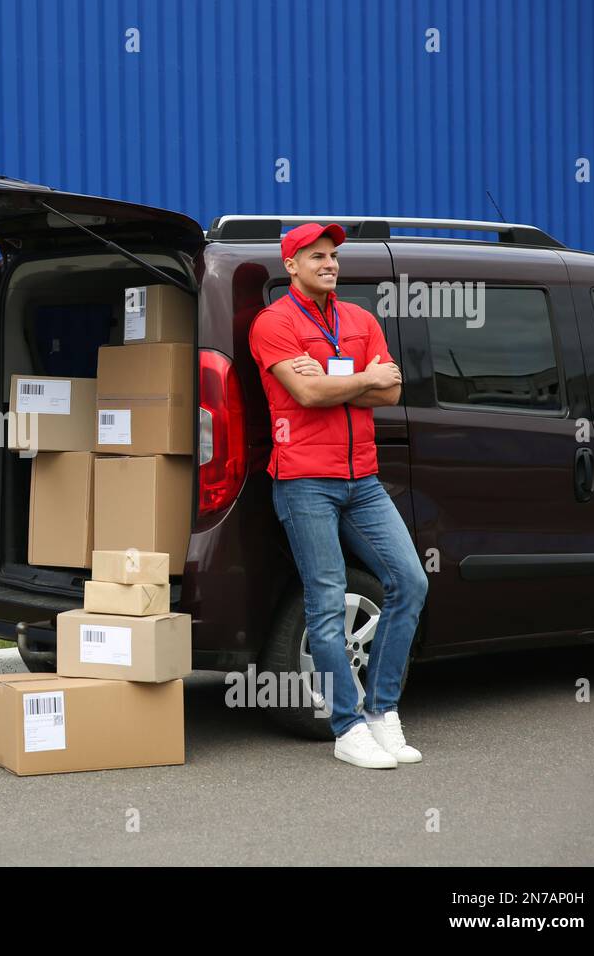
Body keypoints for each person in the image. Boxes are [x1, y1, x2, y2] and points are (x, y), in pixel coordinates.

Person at [248, 223, 428, 769]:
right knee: (326, 602)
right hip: (305, 481)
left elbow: (392, 389)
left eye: (333, 256)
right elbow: (303, 393)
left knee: (411, 582)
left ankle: (381, 713)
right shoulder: (273, 323)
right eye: (317, 256)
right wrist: (357, 378)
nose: (330, 264)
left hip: (363, 479)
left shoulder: (361, 320)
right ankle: (347, 728)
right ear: (292, 266)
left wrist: (331, 378)